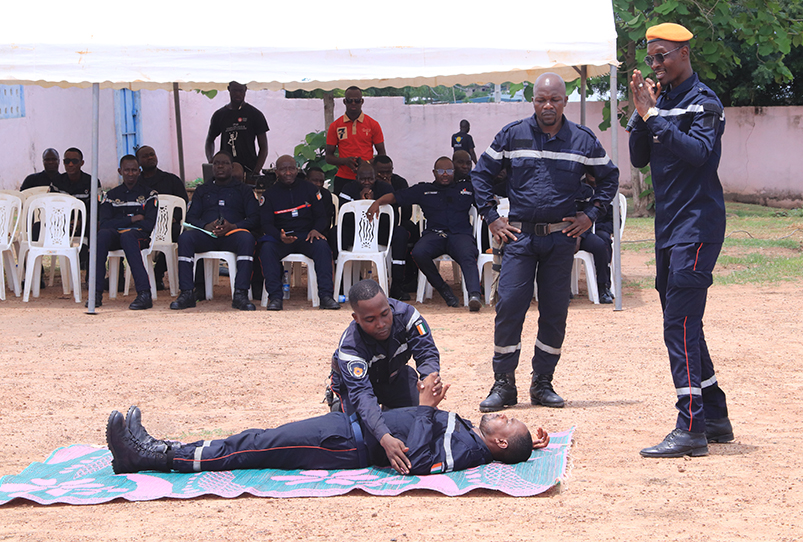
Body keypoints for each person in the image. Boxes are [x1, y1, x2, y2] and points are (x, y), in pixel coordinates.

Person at [471, 72, 619, 412]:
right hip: (520, 238)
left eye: (554, 99)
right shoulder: (513, 135)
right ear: (533, 101)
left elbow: (609, 178)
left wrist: (591, 215)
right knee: (509, 306)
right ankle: (504, 385)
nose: (547, 105)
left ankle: (542, 384)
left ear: (565, 102)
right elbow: (481, 175)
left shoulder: (582, 140)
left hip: (561, 239)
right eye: (541, 100)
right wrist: (492, 217)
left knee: (554, 312)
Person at [628, 23, 733, 458]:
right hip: (669, 231)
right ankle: (715, 416)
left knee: (680, 326)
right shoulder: (662, 101)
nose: (656, 65)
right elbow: (638, 158)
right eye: (651, 58)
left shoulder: (704, 102)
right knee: (685, 322)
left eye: (663, 56)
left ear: (684, 54)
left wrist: (655, 117)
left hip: (698, 226)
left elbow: (700, 154)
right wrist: (640, 113)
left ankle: (690, 428)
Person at [106, 374, 550, 476]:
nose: (506, 414)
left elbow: (416, 461)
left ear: (497, 445)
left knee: (254, 447)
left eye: (509, 424)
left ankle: (149, 457)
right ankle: (159, 448)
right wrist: (536, 443)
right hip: (344, 428)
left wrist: (424, 407)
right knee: (253, 440)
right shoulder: (473, 433)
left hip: (343, 445)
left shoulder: (469, 452)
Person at [329, 280, 445, 471]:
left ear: (389, 305)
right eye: (370, 319)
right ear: (356, 318)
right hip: (356, 388)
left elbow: (427, 353)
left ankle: (390, 410)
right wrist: (384, 437)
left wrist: (429, 380)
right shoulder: (350, 346)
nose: (381, 324)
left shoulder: (408, 316)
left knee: (420, 420)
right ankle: (339, 408)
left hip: (394, 376)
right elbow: (362, 395)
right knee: (360, 440)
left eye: (385, 314)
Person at [368, 157, 483, 311]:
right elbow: (396, 197)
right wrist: (377, 202)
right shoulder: (423, 190)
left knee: (468, 253)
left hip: (460, 234)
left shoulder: (466, 188)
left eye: (449, 171)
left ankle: (474, 296)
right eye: (441, 171)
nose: (445, 174)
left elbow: (484, 199)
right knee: (418, 252)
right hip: (435, 235)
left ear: (454, 172)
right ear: (434, 172)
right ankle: (444, 290)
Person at [170, 150, 259, 311]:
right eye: (216, 163)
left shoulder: (243, 190)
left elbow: (254, 218)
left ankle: (240, 294)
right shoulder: (202, 190)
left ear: (232, 167)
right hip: (207, 236)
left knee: (247, 239)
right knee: (185, 239)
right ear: (212, 167)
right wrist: (205, 225)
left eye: (224, 163)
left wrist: (233, 226)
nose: (220, 166)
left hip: (232, 234)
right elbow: (191, 217)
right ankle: (187, 293)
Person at [258, 155, 340, 311]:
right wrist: (279, 236)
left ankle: (326, 297)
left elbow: (322, 216)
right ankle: (275, 297)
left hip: (307, 235)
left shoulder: (309, 189)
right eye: (283, 169)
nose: (288, 173)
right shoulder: (269, 195)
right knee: (267, 250)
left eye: (291, 168)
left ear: (297, 170)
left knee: (322, 247)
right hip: (281, 238)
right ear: (276, 172)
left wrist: (316, 230)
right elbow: (266, 224)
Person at [89, 155, 158, 310]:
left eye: (134, 170)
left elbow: (148, 224)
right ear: (120, 171)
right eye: (127, 170)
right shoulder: (111, 196)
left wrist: (122, 223)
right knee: (102, 236)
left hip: (138, 237)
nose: (130, 173)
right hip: (117, 235)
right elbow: (105, 223)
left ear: (139, 171)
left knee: (128, 236)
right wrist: (132, 219)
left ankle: (144, 294)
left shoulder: (149, 194)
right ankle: (96, 293)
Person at [338, 163, 410, 300]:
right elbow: (344, 219)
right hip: (355, 233)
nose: (366, 182)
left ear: (375, 177)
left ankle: (397, 285)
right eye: (362, 179)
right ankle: (341, 283)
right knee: (335, 232)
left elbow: (393, 220)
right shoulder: (348, 189)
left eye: (370, 179)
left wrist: (374, 204)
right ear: (356, 177)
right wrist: (361, 204)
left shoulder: (385, 189)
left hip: (380, 233)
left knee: (400, 233)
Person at [136, 145, 188, 290]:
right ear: (138, 161)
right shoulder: (136, 184)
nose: (150, 157)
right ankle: (126, 278)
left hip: (168, 225)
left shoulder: (171, 180)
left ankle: (158, 273)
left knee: (180, 235)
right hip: (144, 226)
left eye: (152, 154)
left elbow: (183, 203)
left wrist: (174, 217)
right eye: (145, 156)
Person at [325, 86, 386, 194]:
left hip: (367, 180)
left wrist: (366, 164)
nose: (353, 103)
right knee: (343, 210)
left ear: (362, 101)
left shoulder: (373, 124)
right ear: (344, 101)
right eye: (349, 100)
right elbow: (329, 157)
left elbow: (382, 154)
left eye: (357, 100)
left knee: (370, 209)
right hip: (343, 178)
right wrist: (345, 161)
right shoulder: (335, 126)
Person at [205, 81, 269, 180]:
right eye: (235, 90)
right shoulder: (219, 115)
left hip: (249, 169)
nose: (238, 94)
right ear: (229, 89)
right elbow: (209, 140)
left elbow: (264, 147)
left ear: (245, 90)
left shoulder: (255, 114)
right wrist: (211, 160)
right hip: (225, 170)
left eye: (241, 91)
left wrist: (256, 171)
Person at [373, 154, 418, 291]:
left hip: (394, 225)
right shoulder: (367, 182)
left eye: (389, 171)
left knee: (411, 230)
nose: (386, 175)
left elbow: (407, 214)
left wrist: (390, 192)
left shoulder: (399, 182)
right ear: (373, 170)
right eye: (381, 172)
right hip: (371, 227)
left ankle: (409, 279)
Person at [576, 174, 616, 304]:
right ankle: (563, 288)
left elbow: (614, 220)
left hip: (591, 230)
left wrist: (581, 235)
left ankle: (602, 287)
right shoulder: (577, 187)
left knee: (601, 243)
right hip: (569, 230)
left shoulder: (605, 190)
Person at [305, 166, 335, 236]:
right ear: (306, 180)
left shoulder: (326, 194)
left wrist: (317, 230)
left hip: (319, 232)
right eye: (315, 180)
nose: (318, 184)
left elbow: (327, 218)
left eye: (321, 181)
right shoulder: (299, 194)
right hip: (302, 231)